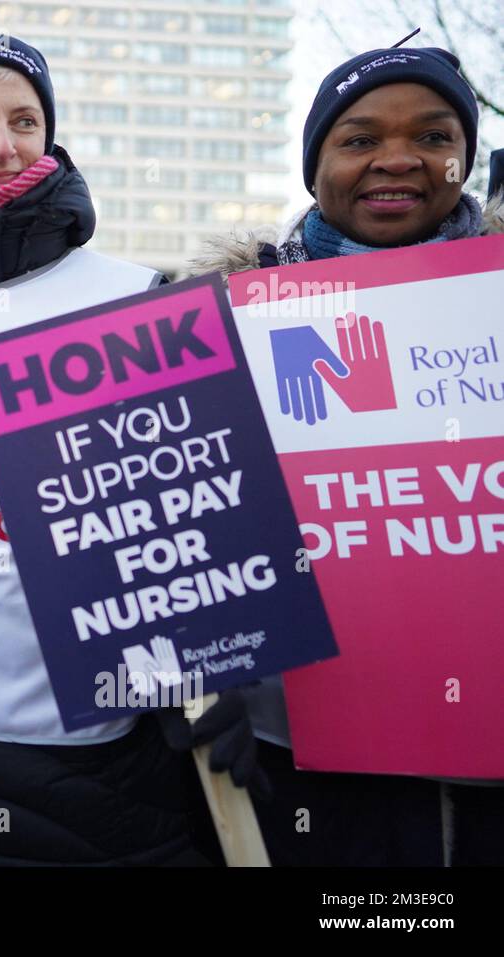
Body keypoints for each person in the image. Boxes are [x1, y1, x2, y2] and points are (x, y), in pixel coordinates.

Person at [0, 33, 261, 867]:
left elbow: (201, 510)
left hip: (81, 748)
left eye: (24, 120)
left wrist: (234, 673)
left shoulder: (128, 295)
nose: (1, 145)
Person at [193, 43, 504, 866]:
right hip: (298, 759)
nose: (397, 159)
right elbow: (183, 524)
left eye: (432, 136)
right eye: (360, 139)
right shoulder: (223, 318)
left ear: (462, 159)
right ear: (317, 165)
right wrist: (213, 675)